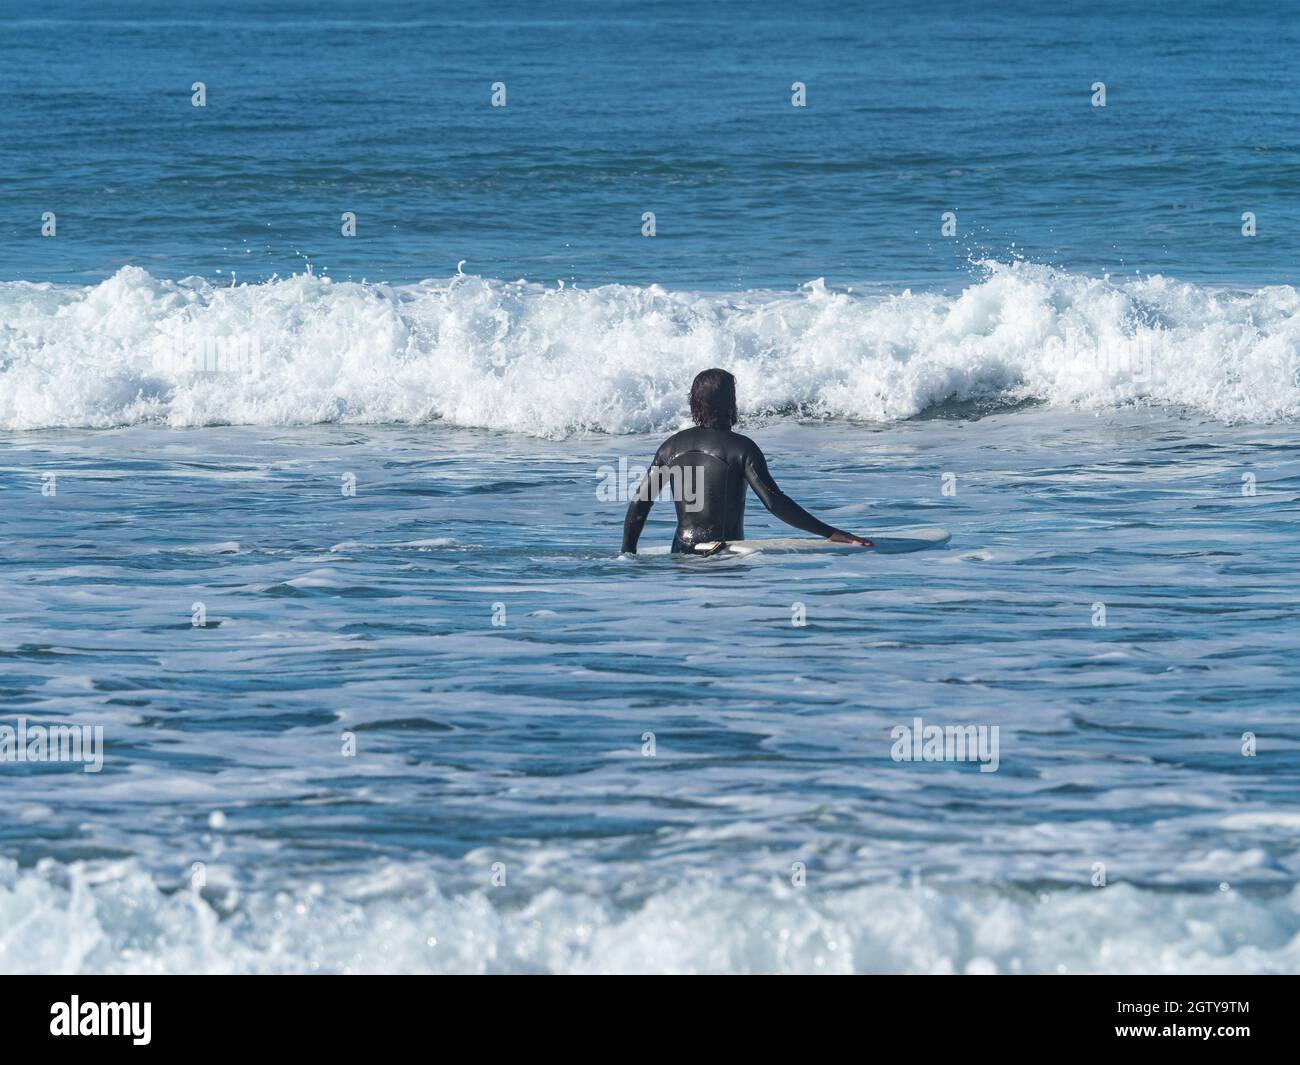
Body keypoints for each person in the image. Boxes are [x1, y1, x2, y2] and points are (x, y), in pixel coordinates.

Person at [621, 368, 873, 554]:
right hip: (722, 554)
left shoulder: (671, 446)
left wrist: (627, 553)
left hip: (681, 552)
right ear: (730, 402)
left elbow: (640, 504)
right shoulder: (741, 447)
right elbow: (774, 501)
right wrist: (831, 533)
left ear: (694, 402)